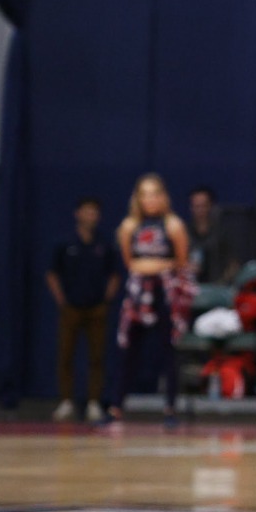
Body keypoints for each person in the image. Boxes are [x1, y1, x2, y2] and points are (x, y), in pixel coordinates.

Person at [104, 174, 193, 430]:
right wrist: (147, 266)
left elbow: (182, 260)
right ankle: (116, 408)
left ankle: (170, 409)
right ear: (138, 198)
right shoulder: (129, 226)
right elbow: (130, 262)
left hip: (165, 291)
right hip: (137, 292)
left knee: (168, 351)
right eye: (145, 194)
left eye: (155, 193)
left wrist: (158, 266)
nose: (150, 199)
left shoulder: (173, 225)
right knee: (127, 350)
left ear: (163, 197)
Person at [45, 196, 119, 422]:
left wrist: (106, 299)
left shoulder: (104, 244)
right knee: (66, 355)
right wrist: (62, 300)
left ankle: (94, 402)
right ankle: (67, 401)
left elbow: (114, 274)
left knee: (97, 357)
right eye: (87, 211)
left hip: (96, 308)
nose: (91, 216)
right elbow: (51, 273)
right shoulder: (65, 243)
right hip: (71, 307)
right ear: (77, 214)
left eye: (94, 212)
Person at [184, 186, 237, 286]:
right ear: (191, 208)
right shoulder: (184, 233)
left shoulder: (223, 231)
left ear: (211, 206)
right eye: (196, 206)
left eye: (204, 206)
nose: (200, 210)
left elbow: (234, 264)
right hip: (191, 288)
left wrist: (222, 283)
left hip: (219, 288)